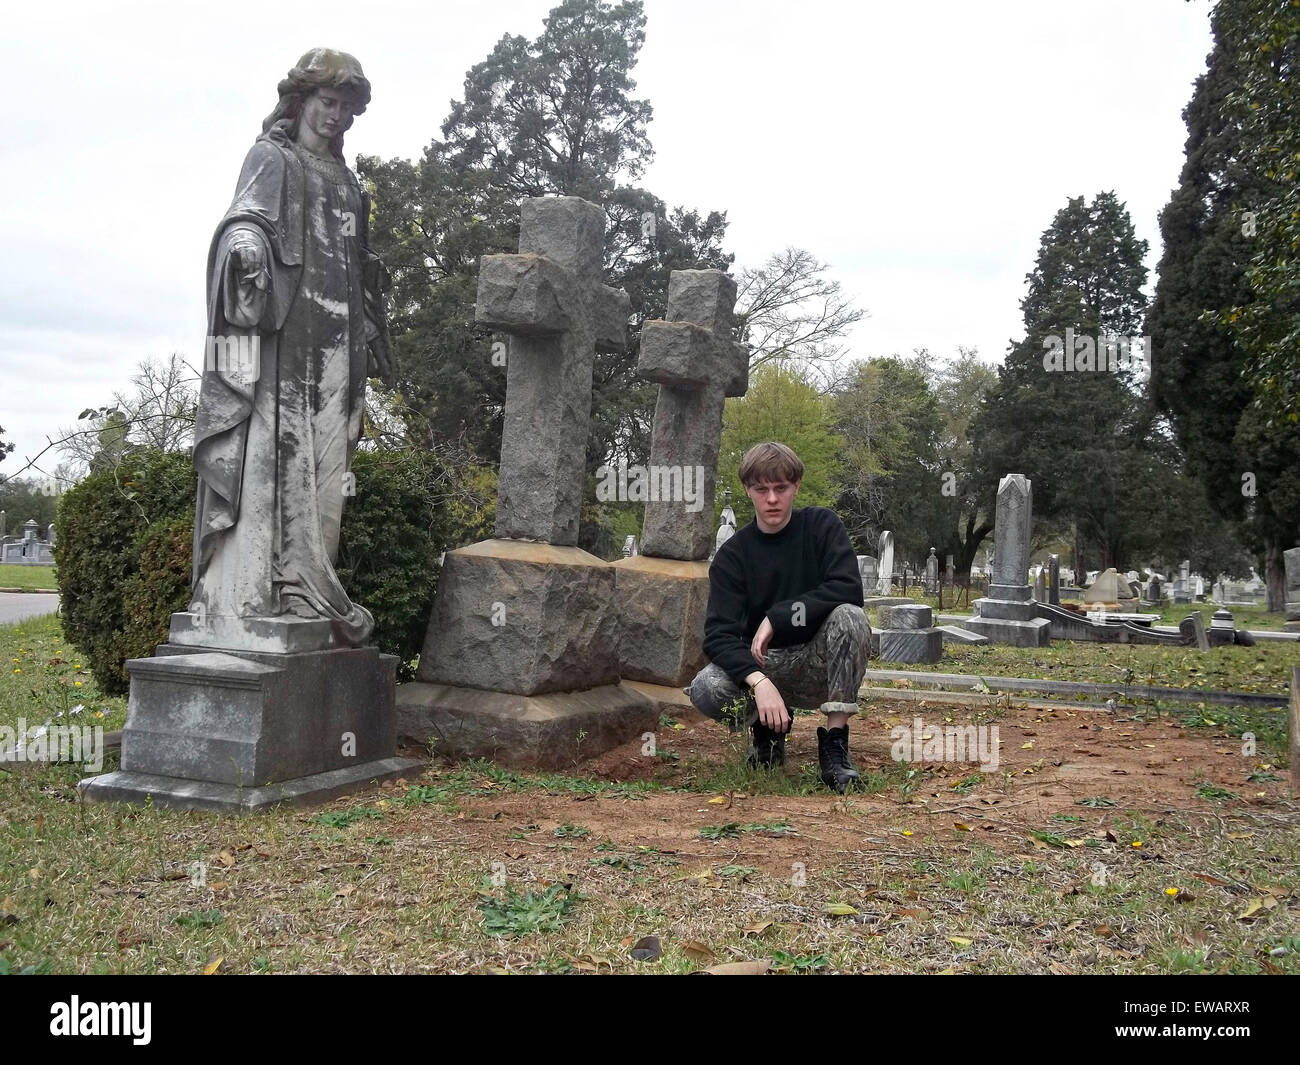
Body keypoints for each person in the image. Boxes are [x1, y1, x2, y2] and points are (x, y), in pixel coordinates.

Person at [190, 48, 393, 647]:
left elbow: (358, 269)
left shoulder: (349, 183)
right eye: (328, 103)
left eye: (347, 110)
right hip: (280, 337)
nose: (336, 118)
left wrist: (369, 336)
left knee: (328, 472)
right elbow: (242, 219)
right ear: (302, 100)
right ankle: (251, 592)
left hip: (337, 345)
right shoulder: (272, 158)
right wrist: (246, 248)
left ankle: (307, 589)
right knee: (268, 463)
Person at [685, 442, 870, 793]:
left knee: (851, 618)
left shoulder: (821, 526)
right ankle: (768, 731)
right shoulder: (732, 556)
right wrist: (759, 682)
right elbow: (718, 635)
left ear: (796, 486)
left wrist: (778, 617)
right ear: (747, 490)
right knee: (706, 688)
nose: (772, 499)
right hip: (764, 666)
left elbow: (848, 588)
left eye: (781, 488)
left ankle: (834, 744)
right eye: (762, 489)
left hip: (817, 663)